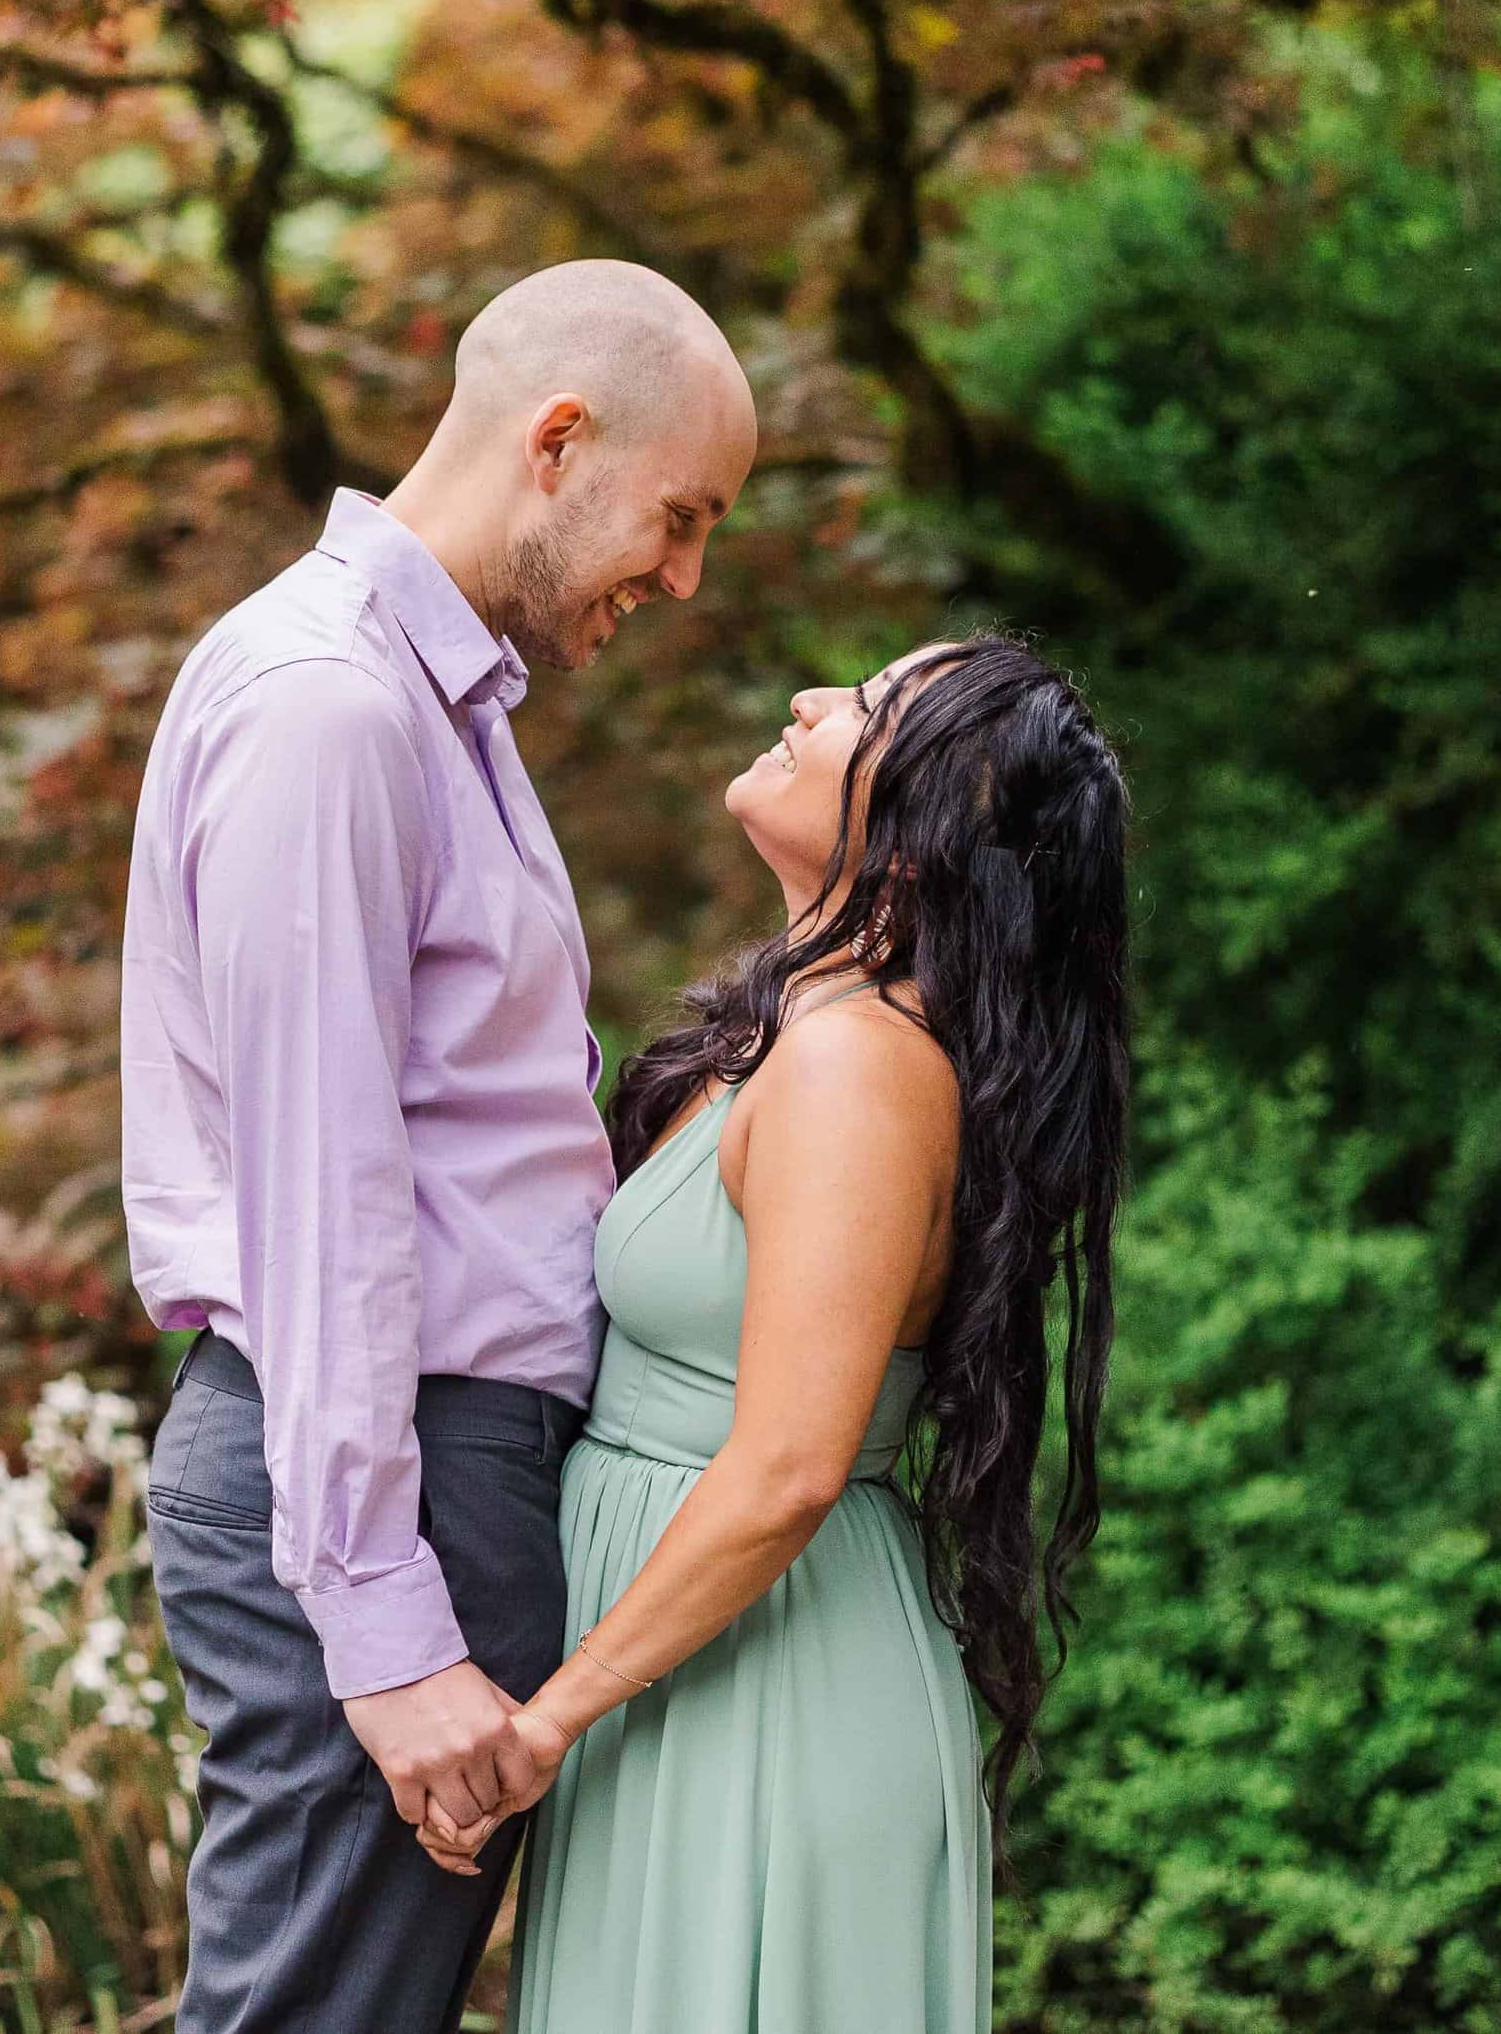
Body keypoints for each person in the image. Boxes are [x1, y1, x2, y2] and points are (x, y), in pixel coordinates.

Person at [117, 257, 758, 2033]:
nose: (686, 576)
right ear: (558, 442)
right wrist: (389, 1635)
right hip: (383, 1473)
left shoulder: (432, 707)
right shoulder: (332, 707)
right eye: (678, 515)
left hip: (421, 1465)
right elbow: (324, 1201)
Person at [420, 633, 1134, 2034]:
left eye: (866, 709)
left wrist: (552, 1718)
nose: (808, 700)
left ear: (923, 840)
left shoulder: (859, 1067)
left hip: (764, 1684)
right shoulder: (792, 1033)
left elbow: (793, 1463)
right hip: (683, 1668)